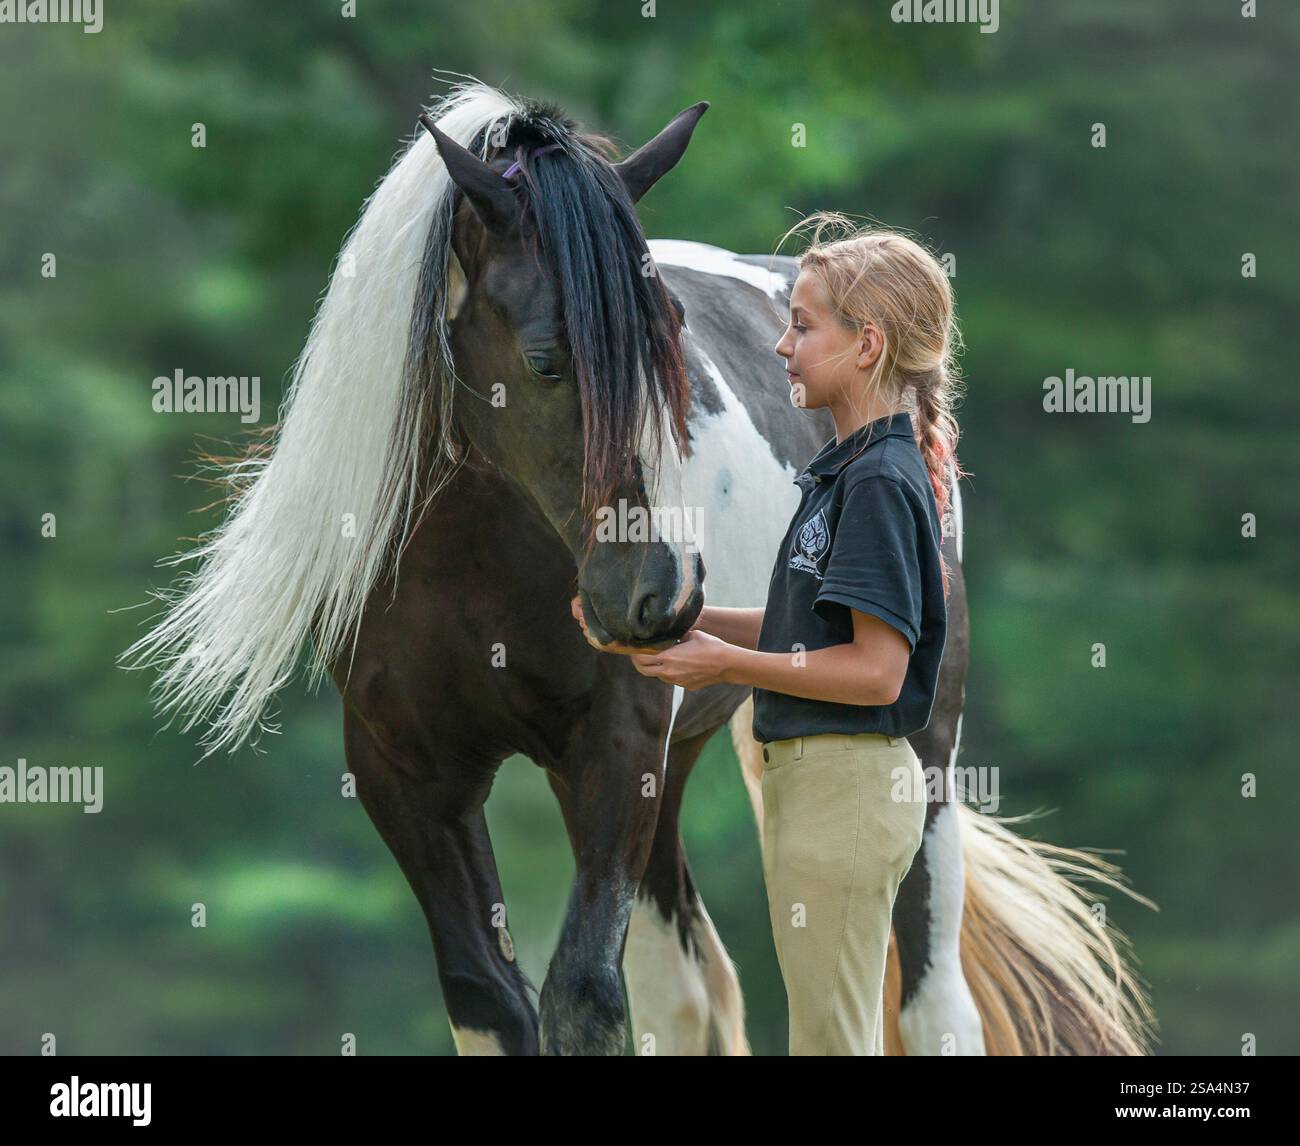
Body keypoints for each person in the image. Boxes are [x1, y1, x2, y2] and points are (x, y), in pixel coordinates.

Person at [573, 211, 964, 1055]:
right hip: (816, 791)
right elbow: (806, 624)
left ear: (868, 346)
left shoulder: (880, 486)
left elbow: (876, 673)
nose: (782, 347)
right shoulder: (845, 472)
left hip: (844, 791)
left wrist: (726, 665)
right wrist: (680, 624)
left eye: (803, 325)